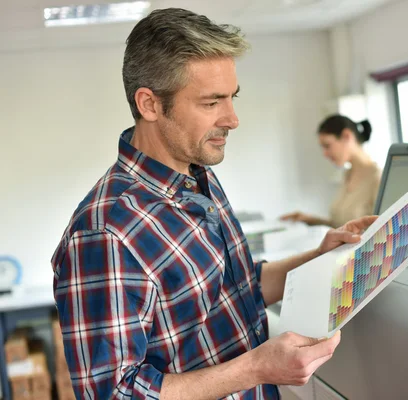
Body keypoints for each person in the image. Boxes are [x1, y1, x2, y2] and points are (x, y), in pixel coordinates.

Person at [50, 9, 376, 400]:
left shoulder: (198, 176)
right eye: (211, 103)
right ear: (150, 104)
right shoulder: (105, 231)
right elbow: (115, 393)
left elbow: (238, 287)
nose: (233, 119)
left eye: (232, 98)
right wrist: (256, 367)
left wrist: (319, 255)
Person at [281, 115, 382, 228]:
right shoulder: (347, 174)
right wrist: (310, 220)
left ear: (346, 136)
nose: (324, 154)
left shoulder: (378, 178)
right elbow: (341, 227)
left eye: (327, 146)